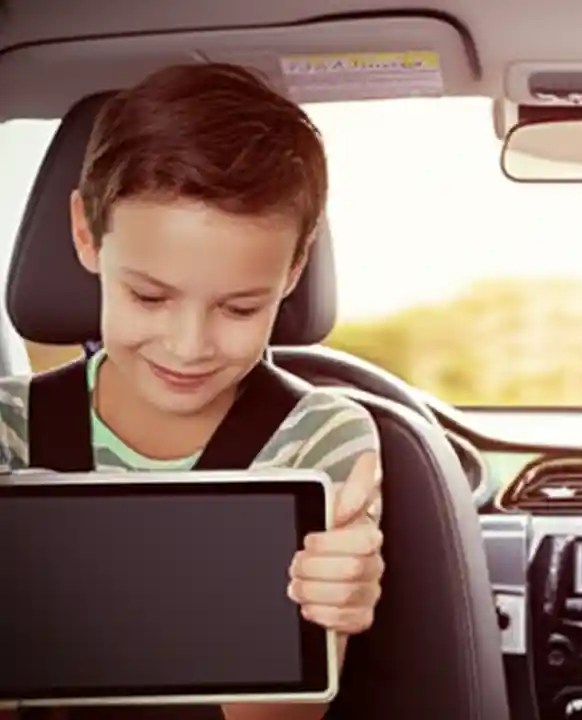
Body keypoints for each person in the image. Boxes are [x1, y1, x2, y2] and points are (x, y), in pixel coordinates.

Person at [0, 63, 384, 720]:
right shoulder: (9, 428)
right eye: (149, 296)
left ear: (293, 269)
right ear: (86, 235)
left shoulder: (318, 435)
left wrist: (327, 620)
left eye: (237, 309)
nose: (188, 347)